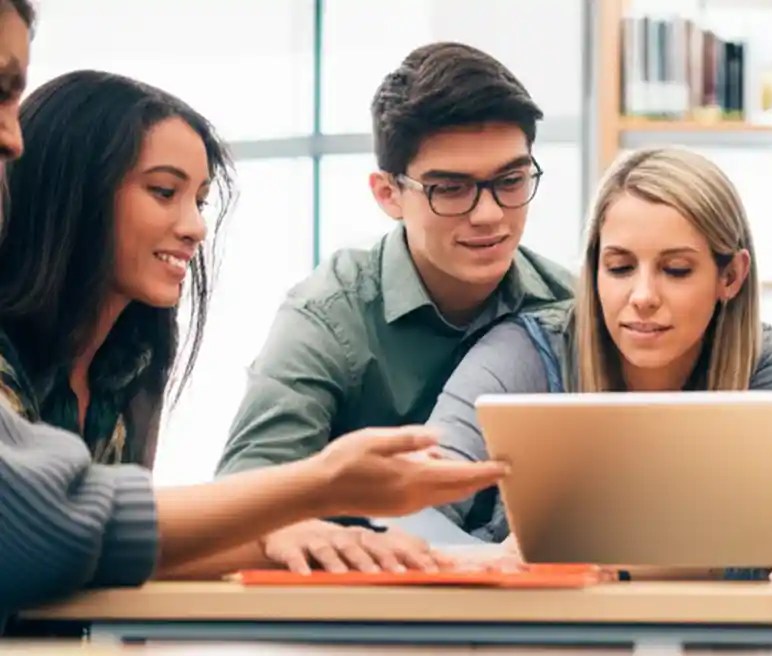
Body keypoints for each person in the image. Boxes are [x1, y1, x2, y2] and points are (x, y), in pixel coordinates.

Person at [0, 4, 508, 615]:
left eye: (201, 199)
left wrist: (325, 539)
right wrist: (313, 491)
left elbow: (106, 546)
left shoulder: (128, 360)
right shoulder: (328, 312)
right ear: (70, 189)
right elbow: (56, 528)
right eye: (164, 192)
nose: (194, 228)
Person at [215, 42, 576, 572]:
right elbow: (243, 497)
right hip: (352, 613)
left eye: (510, 181)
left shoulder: (569, 305)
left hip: (531, 609)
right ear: (387, 194)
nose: (488, 214)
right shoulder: (327, 317)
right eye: (449, 189)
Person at [423, 146, 772, 548]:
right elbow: (415, 506)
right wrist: (491, 561)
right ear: (593, 271)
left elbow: (765, 545)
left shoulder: (765, 364)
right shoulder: (523, 352)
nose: (642, 296)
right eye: (619, 268)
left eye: (676, 270)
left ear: (730, 277)